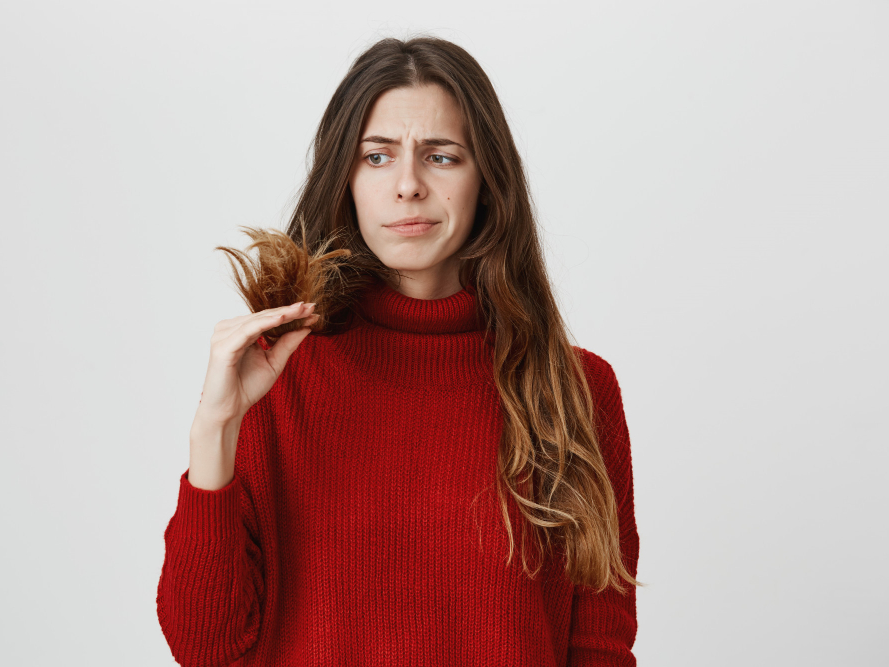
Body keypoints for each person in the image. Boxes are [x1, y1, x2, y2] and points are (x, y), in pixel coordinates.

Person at [157, 35, 641, 667]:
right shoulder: (272, 375)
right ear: (346, 180)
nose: (408, 184)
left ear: (486, 180)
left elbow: (600, 647)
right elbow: (205, 647)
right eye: (377, 156)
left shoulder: (575, 389)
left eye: (441, 156)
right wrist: (216, 427)